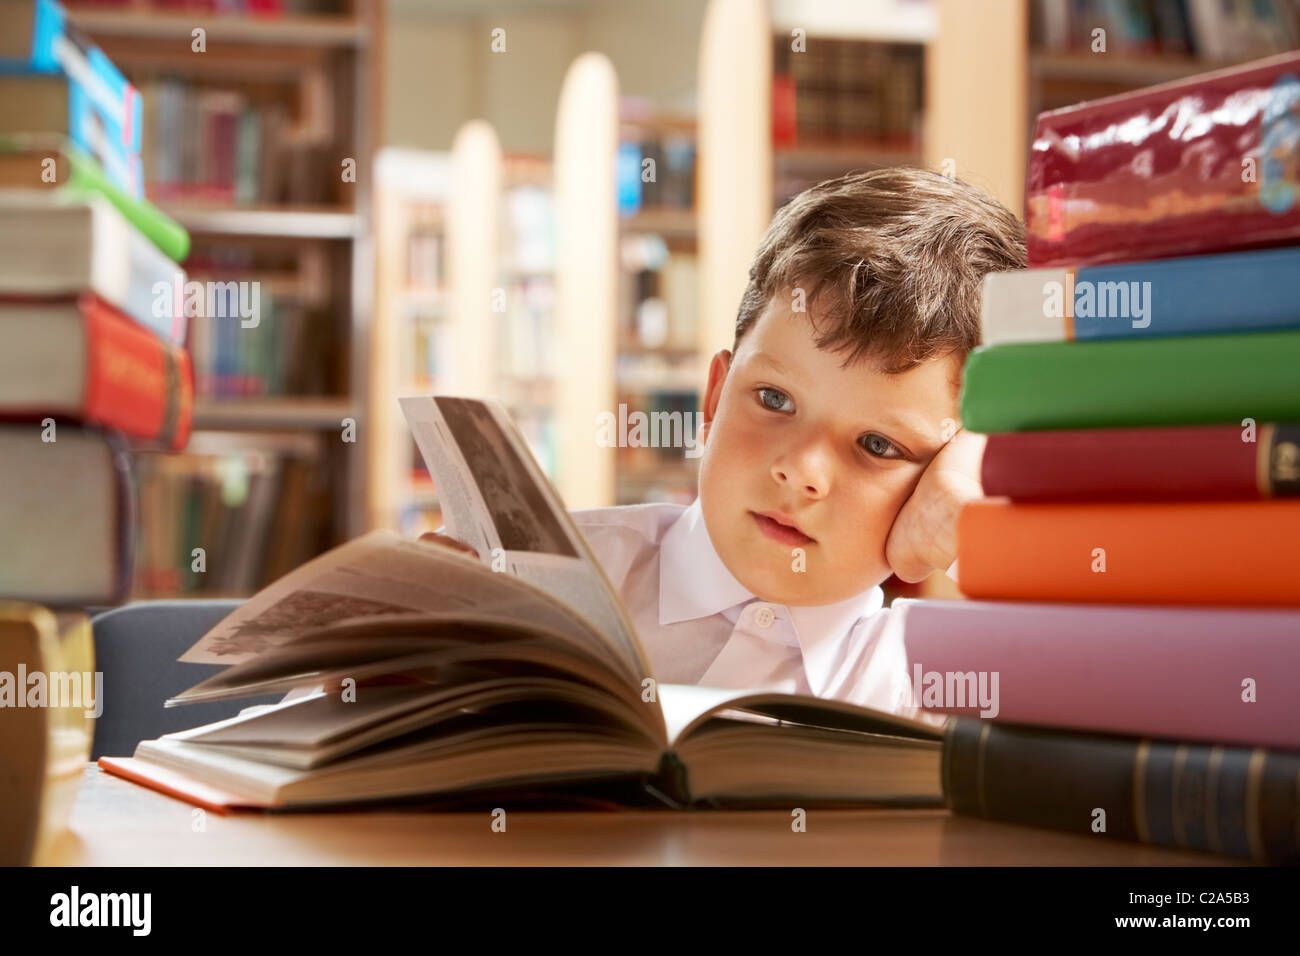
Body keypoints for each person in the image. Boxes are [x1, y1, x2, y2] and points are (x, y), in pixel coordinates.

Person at [426, 167, 1026, 713]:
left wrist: (974, 497)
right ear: (713, 399)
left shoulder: (928, 681)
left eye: (877, 445)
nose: (801, 470)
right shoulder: (536, 583)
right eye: (774, 400)